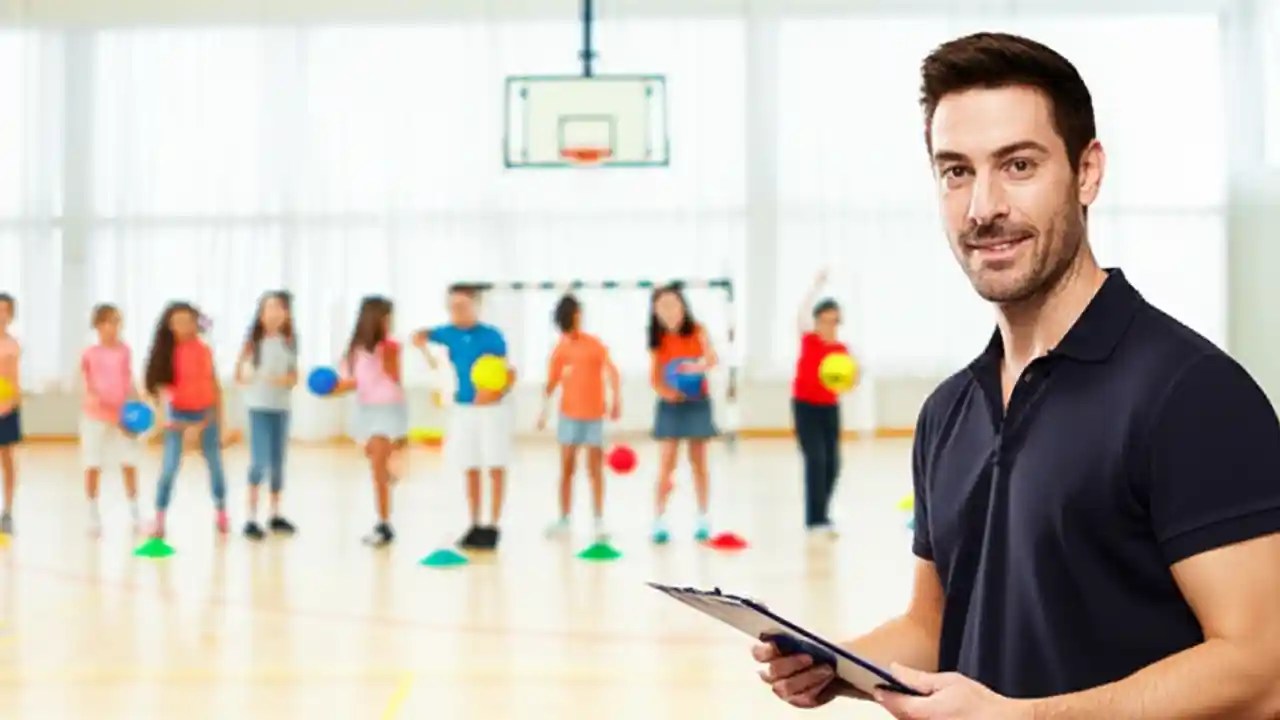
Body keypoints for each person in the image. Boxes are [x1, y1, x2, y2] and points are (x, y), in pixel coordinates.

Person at [755, 32, 1280, 718]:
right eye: (956, 172)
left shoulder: (1190, 393)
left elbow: (1262, 667)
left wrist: (1025, 718)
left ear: (1087, 172)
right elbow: (935, 626)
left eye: (1018, 165)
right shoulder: (949, 413)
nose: (983, 208)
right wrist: (839, 664)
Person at [413, 284, 515, 552]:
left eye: (462, 307)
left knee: (494, 463)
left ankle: (492, 524)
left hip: (492, 410)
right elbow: (420, 336)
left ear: (475, 307)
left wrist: (496, 392)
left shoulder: (492, 336)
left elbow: (508, 373)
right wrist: (422, 343)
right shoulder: (446, 333)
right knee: (470, 465)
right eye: (452, 307)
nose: (456, 312)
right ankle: (473, 522)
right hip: (463, 409)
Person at [536, 293, 621, 542]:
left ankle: (598, 519)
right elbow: (551, 383)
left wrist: (616, 399)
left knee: (595, 469)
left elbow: (611, 371)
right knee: (567, 468)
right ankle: (564, 518)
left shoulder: (594, 344)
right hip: (569, 416)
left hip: (593, 415)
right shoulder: (561, 348)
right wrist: (543, 413)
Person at [144, 301, 230, 540]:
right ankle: (159, 517)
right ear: (169, 326)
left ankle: (221, 511)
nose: (185, 326)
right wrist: (181, 426)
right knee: (169, 467)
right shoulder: (165, 355)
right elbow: (163, 400)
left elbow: (213, 387)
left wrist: (217, 423)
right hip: (178, 419)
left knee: (215, 466)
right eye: (178, 322)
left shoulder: (204, 350)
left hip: (206, 416)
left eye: (189, 321)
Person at [648, 283, 719, 544]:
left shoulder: (698, 331)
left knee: (699, 462)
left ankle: (703, 517)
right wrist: (669, 393)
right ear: (655, 312)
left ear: (682, 307)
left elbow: (711, 358)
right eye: (661, 306)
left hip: (698, 402)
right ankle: (659, 519)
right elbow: (655, 380)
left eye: (672, 304)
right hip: (670, 405)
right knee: (667, 463)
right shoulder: (658, 341)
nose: (668, 311)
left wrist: (696, 366)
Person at [337, 295, 407, 548]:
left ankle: (384, 523)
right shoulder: (354, 352)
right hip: (365, 410)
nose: (390, 323)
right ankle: (390, 473)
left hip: (388, 408)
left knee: (377, 469)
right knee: (377, 467)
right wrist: (327, 389)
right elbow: (349, 383)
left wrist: (389, 356)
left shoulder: (390, 347)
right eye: (386, 318)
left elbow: (395, 377)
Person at [235, 290, 298, 541]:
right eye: (268, 309)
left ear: (286, 314)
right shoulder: (253, 343)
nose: (273, 314)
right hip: (259, 408)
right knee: (259, 461)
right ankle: (250, 518)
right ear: (260, 315)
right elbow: (239, 374)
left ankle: (274, 514)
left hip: (281, 408)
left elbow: (293, 377)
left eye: (278, 309)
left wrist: (283, 380)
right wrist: (249, 377)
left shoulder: (290, 342)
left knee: (278, 463)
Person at [791, 269, 849, 537]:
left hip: (829, 408)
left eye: (834, 322)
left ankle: (823, 514)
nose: (829, 326)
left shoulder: (841, 351)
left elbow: (848, 381)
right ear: (817, 322)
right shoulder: (808, 340)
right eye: (825, 320)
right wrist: (815, 285)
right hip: (805, 407)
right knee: (815, 459)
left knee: (833, 463)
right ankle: (813, 519)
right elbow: (800, 314)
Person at [80, 303, 142, 535]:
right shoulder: (89, 354)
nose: (112, 327)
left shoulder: (125, 350)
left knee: (129, 461)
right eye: (107, 322)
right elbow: (88, 386)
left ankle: (135, 512)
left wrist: (135, 407)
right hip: (95, 416)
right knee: (93, 462)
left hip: (123, 416)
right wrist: (103, 404)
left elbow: (129, 380)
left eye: (116, 321)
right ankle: (92, 512)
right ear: (98, 325)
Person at [0, 292, 20, 536]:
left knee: (8, 459)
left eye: (5, 311)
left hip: (7, 410)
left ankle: (8, 511)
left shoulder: (13, 344)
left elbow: (14, 380)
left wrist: (12, 403)